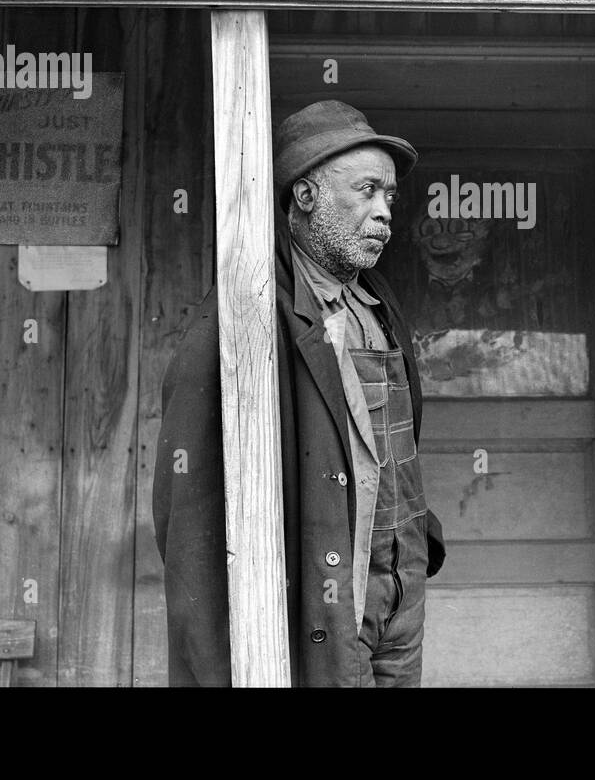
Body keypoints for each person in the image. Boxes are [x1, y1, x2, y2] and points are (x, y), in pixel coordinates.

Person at [153, 100, 446, 687]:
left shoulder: (378, 304)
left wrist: (416, 544)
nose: (384, 212)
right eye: (366, 190)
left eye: (389, 196)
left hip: (399, 580)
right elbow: (188, 507)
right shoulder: (247, 312)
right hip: (322, 592)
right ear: (305, 196)